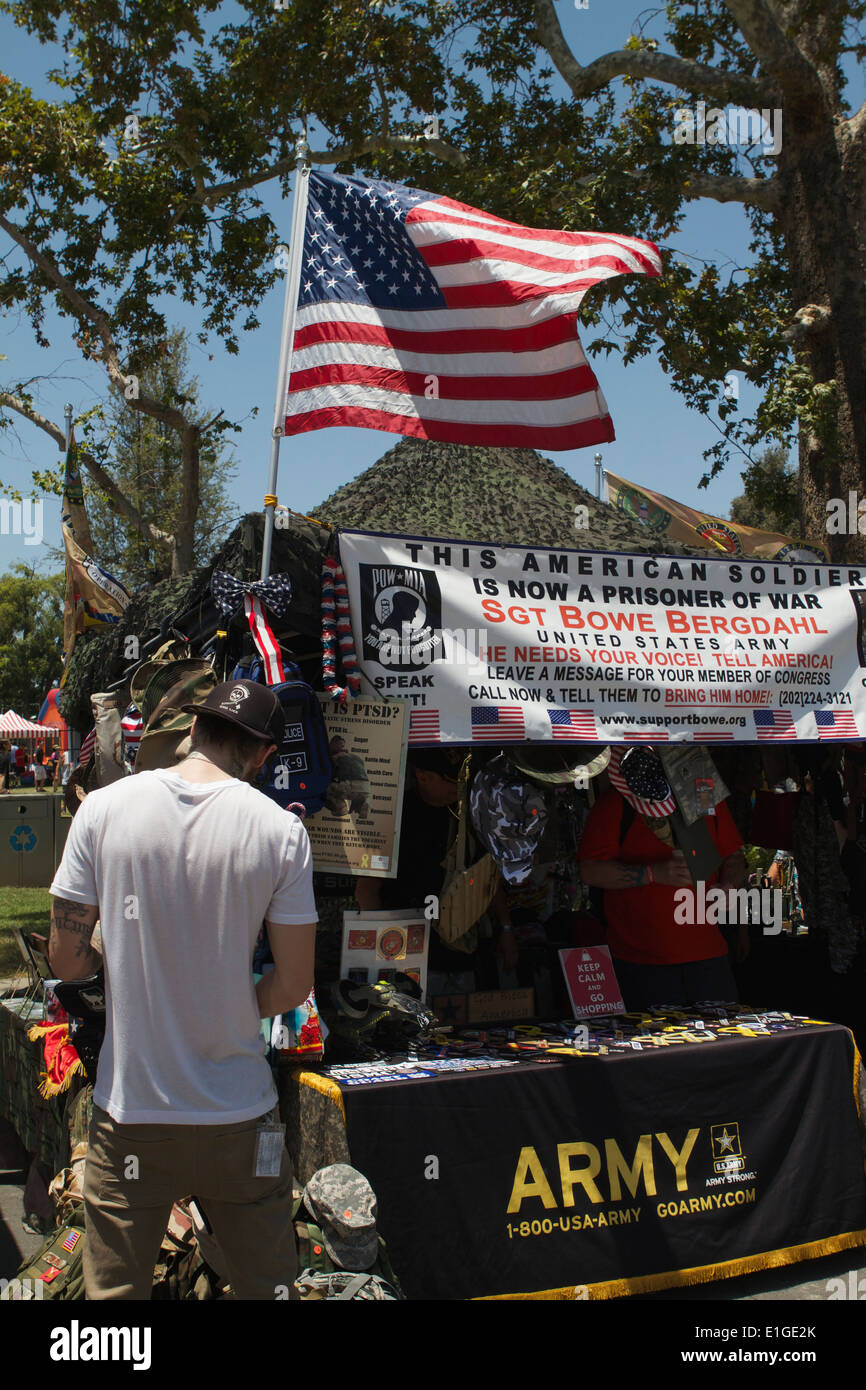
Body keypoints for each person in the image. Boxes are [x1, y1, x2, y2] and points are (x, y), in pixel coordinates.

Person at [48, 678, 318, 1300]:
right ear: (262, 754)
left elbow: (65, 959)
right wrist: (232, 1005)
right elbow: (296, 981)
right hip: (240, 1115)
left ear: (192, 730)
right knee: (271, 1286)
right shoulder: (281, 833)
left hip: (132, 1112)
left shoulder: (102, 810)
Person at [578, 746, 746, 1009]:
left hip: (709, 959)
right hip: (640, 964)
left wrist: (728, 885)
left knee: (724, 1047)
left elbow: (734, 858)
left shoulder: (705, 797)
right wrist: (652, 873)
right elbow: (589, 871)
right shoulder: (615, 804)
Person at [354, 748, 518, 996]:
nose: (459, 787)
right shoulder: (394, 819)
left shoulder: (470, 815)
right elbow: (367, 889)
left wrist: (506, 929)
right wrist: (378, 957)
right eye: (452, 780)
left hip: (463, 953)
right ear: (423, 776)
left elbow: (487, 876)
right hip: (404, 956)